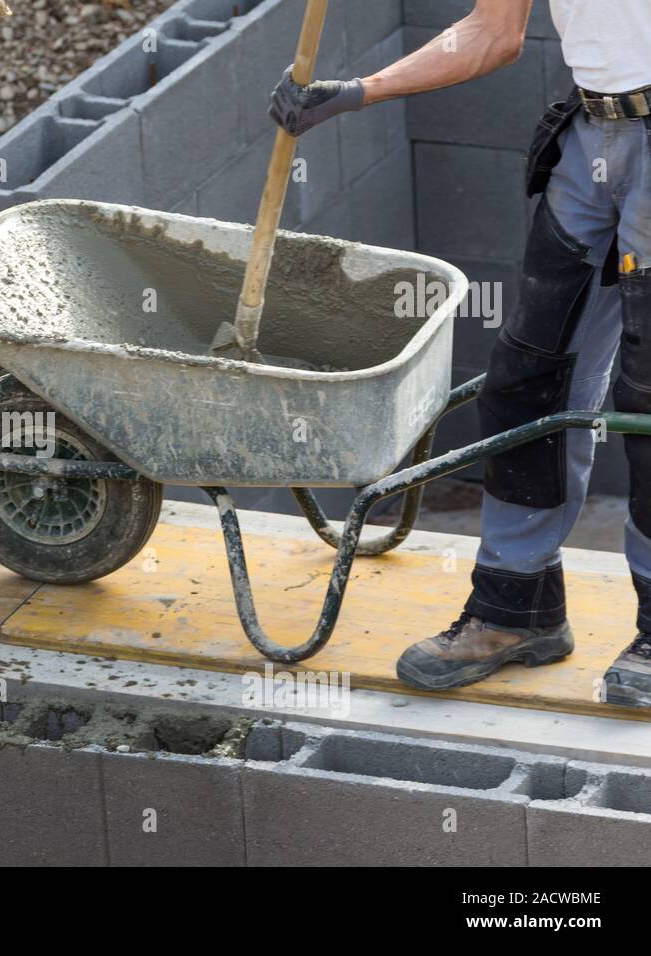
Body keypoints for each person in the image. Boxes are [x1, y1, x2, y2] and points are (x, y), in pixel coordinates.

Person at [268, 0, 651, 707]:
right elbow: (490, 34)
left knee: (649, 397)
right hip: (593, 136)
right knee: (526, 380)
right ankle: (516, 608)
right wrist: (356, 93)